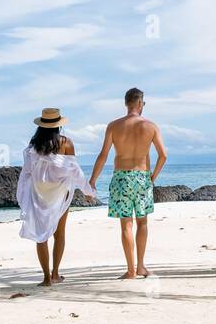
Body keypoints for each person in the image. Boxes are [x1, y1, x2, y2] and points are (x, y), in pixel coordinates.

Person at [90, 88, 167, 279]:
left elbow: (103, 155)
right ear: (140, 104)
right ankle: (141, 266)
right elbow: (163, 156)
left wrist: (92, 180)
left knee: (126, 225)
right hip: (142, 177)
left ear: (126, 103)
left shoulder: (114, 126)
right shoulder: (151, 126)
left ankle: (131, 270)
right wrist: (152, 177)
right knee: (142, 223)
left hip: (121, 178)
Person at [16, 108, 88, 286]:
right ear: (58, 126)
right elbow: (74, 171)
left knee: (41, 235)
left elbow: (28, 172)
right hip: (60, 192)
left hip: (39, 192)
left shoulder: (33, 146)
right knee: (60, 233)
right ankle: (55, 273)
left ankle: (46, 278)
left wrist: (24, 193)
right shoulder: (66, 143)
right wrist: (88, 191)